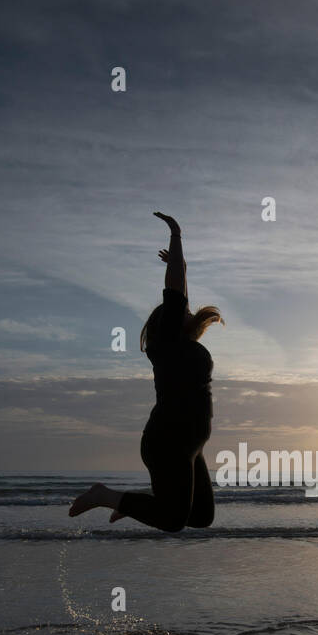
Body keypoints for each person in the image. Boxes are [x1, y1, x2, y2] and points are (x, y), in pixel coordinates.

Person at [69, 213, 223, 531]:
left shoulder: (181, 343)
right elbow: (176, 288)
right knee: (173, 519)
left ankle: (136, 504)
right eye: (182, 310)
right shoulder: (166, 343)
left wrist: (183, 266)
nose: (188, 311)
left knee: (201, 516)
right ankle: (106, 496)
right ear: (166, 320)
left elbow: (181, 287)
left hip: (191, 443)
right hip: (169, 440)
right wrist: (177, 236)